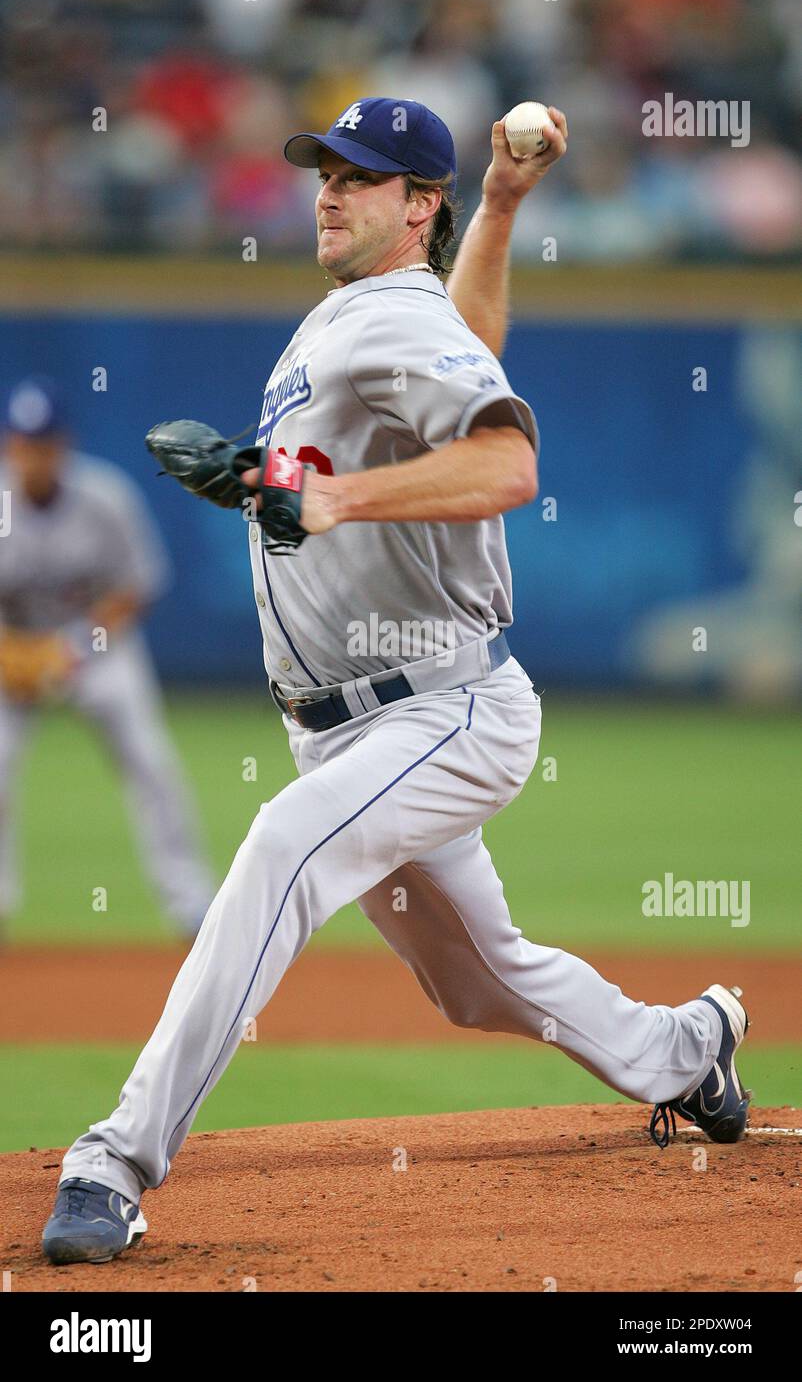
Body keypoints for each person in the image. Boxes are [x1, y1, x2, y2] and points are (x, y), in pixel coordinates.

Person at [41, 99, 750, 1266]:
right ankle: (688, 1049)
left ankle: (113, 1161)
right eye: (324, 170)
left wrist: (331, 495)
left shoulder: (388, 314)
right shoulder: (363, 317)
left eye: (359, 176)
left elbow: (506, 460)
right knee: (477, 983)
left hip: (444, 707)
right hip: (352, 726)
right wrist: (505, 205)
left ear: (419, 205)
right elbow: (469, 352)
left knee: (282, 846)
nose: (327, 191)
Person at [0, 378, 216, 942]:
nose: (33, 455)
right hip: (13, 655)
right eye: (24, 444)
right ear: (9, 446)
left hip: (96, 652)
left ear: (63, 445)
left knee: (151, 764)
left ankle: (191, 904)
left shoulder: (104, 497)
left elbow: (136, 586)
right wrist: (14, 654)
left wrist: (72, 648)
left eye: (44, 443)